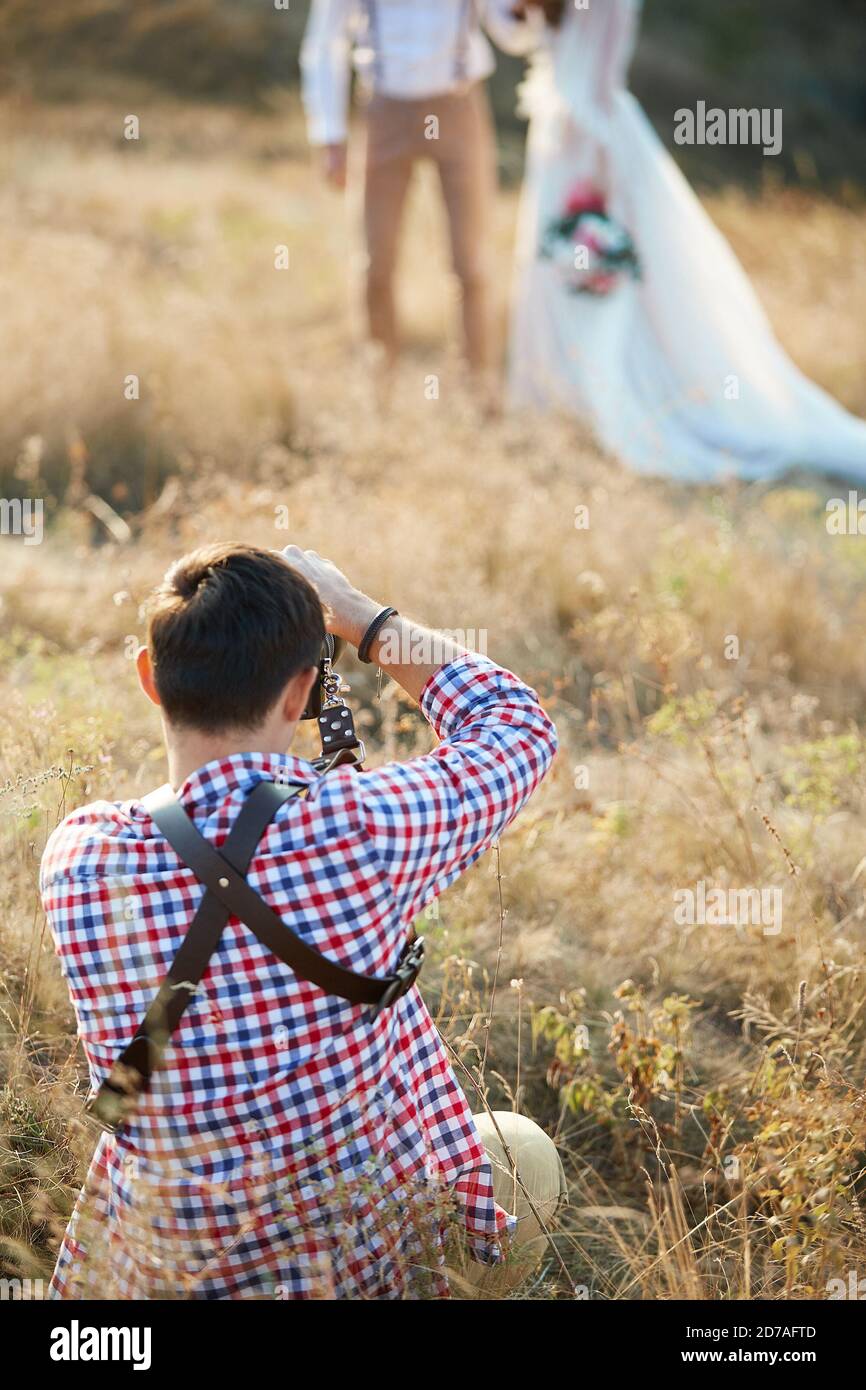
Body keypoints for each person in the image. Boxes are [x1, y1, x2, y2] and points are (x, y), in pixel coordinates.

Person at [41, 542, 563, 1299]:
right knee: (524, 1153)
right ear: (300, 695)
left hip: (166, 1276)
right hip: (354, 1269)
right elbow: (514, 724)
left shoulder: (79, 859)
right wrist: (362, 617)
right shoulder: (361, 829)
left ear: (151, 682)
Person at [508, 0, 866, 482]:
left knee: (613, 272)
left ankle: (613, 396)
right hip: (563, 137)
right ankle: (566, 396)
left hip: (594, 139)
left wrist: (597, 168)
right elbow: (512, 29)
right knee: (558, 270)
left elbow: (599, 64)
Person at [300, 1, 537, 382]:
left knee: (471, 262)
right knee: (376, 261)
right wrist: (330, 135)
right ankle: (380, 382)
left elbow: (512, 32)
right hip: (384, 110)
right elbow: (325, 43)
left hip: (458, 107)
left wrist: (527, 11)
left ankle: (478, 390)